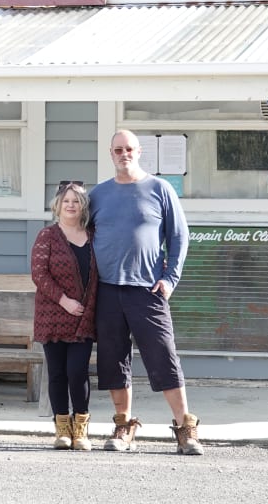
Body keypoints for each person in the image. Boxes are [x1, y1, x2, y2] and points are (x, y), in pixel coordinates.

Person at [88, 129, 203, 455]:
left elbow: (180, 237)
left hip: (148, 290)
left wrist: (170, 279)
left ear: (139, 152)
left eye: (129, 149)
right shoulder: (98, 195)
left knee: (164, 357)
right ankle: (123, 428)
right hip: (107, 290)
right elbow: (84, 236)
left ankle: (186, 430)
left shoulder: (160, 189)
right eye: (117, 149)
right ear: (111, 154)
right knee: (113, 361)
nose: (123, 154)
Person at [31, 180, 99, 450]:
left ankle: (80, 429)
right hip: (53, 315)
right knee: (57, 373)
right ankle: (62, 430)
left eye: (77, 201)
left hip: (84, 316)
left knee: (78, 372)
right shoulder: (47, 236)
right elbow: (39, 275)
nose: (71, 205)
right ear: (57, 205)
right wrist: (65, 301)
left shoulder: (94, 235)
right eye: (66, 200)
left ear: (83, 206)